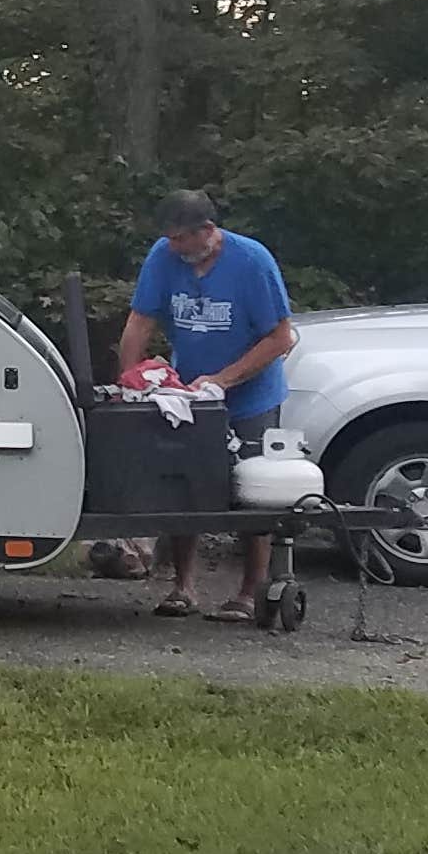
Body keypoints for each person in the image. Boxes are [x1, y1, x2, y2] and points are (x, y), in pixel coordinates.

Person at [113, 190, 298, 621]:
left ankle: (250, 593)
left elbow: (280, 338)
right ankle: (183, 587)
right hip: (189, 396)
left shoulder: (252, 262)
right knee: (183, 485)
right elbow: (140, 321)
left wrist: (223, 380)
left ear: (208, 232)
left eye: (181, 239)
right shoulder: (164, 257)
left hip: (250, 395)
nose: (174, 247)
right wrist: (131, 382)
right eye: (170, 239)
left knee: (253, 494)